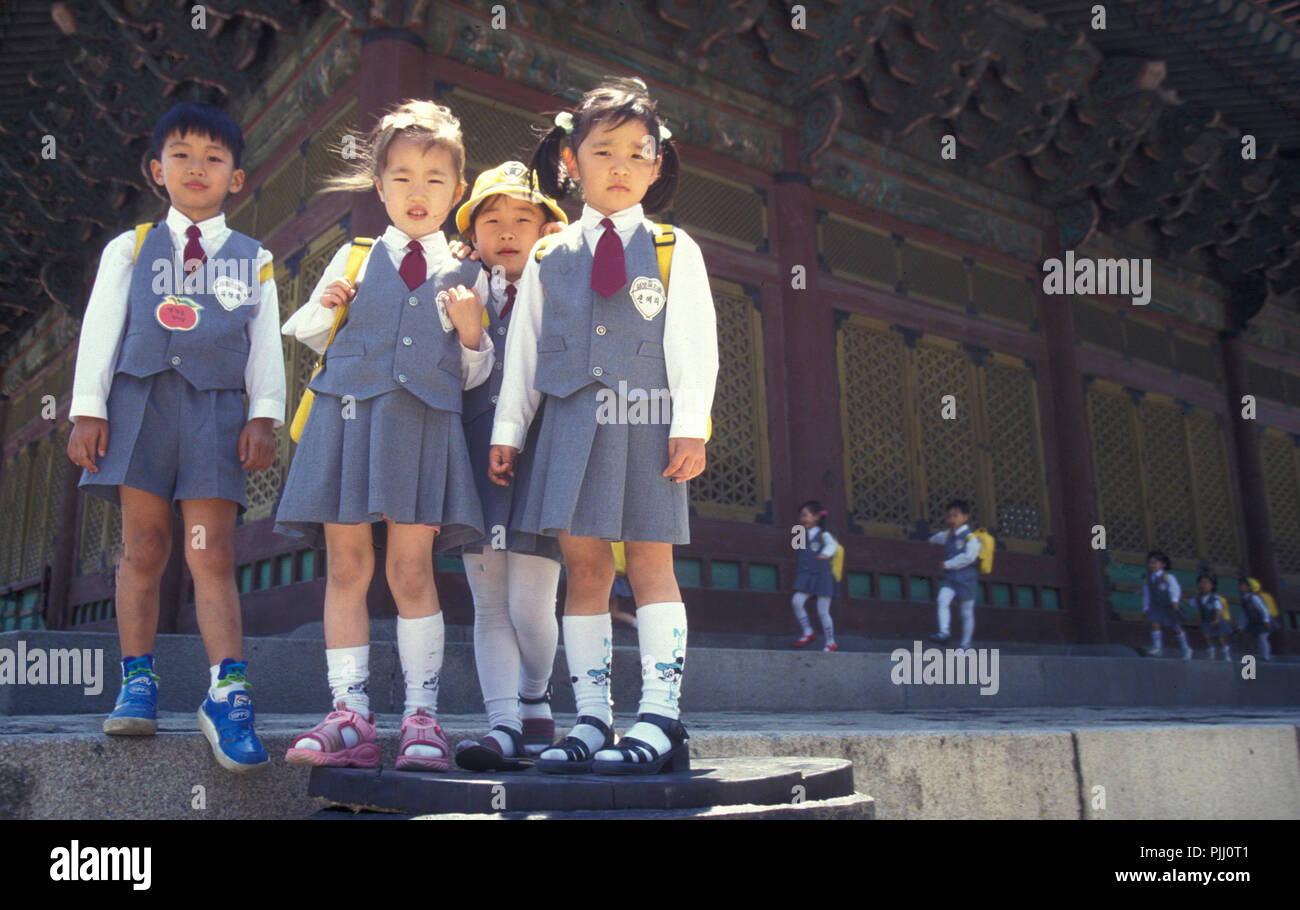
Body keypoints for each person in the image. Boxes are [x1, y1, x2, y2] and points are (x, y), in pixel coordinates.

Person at [489, 77, 718, 775]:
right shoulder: (549, 257)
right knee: (584, 569)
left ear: (657, 165)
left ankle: (661, 715)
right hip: (566, 426)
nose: (618, 167)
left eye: (636, 153)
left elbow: (694, 343)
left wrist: (691, 424)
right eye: (602, 151)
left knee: (650, 563)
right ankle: (591, 716)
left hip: (648, 426)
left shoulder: (675, 248)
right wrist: (508, 428)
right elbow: (525, 351)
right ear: (570, 161)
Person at [66, 101, 283, 772]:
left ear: (236, 179)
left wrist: (264, 412)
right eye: (182, 156)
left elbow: (264, 345)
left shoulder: (255, 259)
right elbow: (101, 329)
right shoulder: (129, 247)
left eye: (214, 159)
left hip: (215, 414)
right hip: (140, 407)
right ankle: (138, 679)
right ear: (158, 170)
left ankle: (228, 691)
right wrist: (86, 407)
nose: (197, 168)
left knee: (210, 550)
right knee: (146, 545)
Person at [277, 100, 491, 772]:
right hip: (347, 417)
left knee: (410, 568)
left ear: (456, 190)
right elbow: (306, 331)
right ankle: (350, 715)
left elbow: (476, 369)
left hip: (422, 422)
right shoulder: (355, 252)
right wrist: (327, 302)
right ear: (380, 187)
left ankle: (423, 716)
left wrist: (470, 329)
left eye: (434, 179)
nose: (417, 192)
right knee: (346, 566)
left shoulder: (466, 270)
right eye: (401, 177)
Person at [445, 161, 570, 771]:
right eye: (491, 220)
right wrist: (469, 336)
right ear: (473, 234)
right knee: (488, 602)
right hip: (474, 453)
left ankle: (535, 696)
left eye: (524, 218)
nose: (508, 230)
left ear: (549, 228)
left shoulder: (565, 284)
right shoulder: (457, 287)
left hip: (540, 455)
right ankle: (500, 725)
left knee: (530, 604)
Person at [927, 499, 981, 650]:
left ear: (965, 517)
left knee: (966, 612)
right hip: (951, 577)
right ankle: (944, 632)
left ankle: (966, 644)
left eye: (955, 516)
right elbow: (937, 538)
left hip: (967, 579)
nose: (951, 519)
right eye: (949, 516)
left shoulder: (972, 538)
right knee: (943, 599)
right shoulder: (948, 534)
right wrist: (930, 540)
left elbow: (969, 558)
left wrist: (949, 564)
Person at [790, 500, 838, 652]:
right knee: (797, 601)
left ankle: (830, 641)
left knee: (822, 610)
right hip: (807, 575)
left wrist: (825, 553)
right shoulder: (800, 534)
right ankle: (808, 631)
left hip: (822, 576)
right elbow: (799, 549)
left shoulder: (824, 535)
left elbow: (833, 546)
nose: (802, 519)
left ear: (817, 517)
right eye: (801, 516)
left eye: (806, 515)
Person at [1142, 550, 1191, 659]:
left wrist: (1174, 601)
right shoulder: (1148, 580)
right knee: (1155, 624)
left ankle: (1186, 647)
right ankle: (1157, 647)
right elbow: (1147, 595)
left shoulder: (1168, 577)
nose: (1152, 565)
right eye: (1150, 563)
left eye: (1155, 562)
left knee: (1176, 627)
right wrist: (1146, 607)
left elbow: (1175, 589)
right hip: (1156, 606)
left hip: (1169, 605)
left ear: (1163, 564)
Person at [1190, 572, 1232, 661]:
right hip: (1206, 621)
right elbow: (1191, 603)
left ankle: (1226, 654)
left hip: (1216, 621)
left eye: (1206, 583)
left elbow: (1218, 609)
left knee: (1221, 638)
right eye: (1201, 582)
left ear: (1212, 585)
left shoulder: (1215, 598)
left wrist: (1216, 619)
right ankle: (1211, 651)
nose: (1203, 585)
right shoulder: (1199, 598)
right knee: (1207, 636)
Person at [1237, 576, 1273, 662]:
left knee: (1262, 638)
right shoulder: (1244, 599)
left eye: (1244, 585)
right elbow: (1244, 614)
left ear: (1250, 587)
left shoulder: (1254, 598)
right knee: (1253, 639)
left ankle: (1266, 656)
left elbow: (1263, 609)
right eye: (1241, 585)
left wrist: (1266, 620)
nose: (1241, 587)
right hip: (1253, 623)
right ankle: (1258, 654)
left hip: (1261, 622)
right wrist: (1241, 626)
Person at [608, 541, 638, 629]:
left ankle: (637, 623)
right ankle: (637, 623)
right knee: (613, 611)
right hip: (618, 573)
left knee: (608, 611)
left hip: (610, 574)